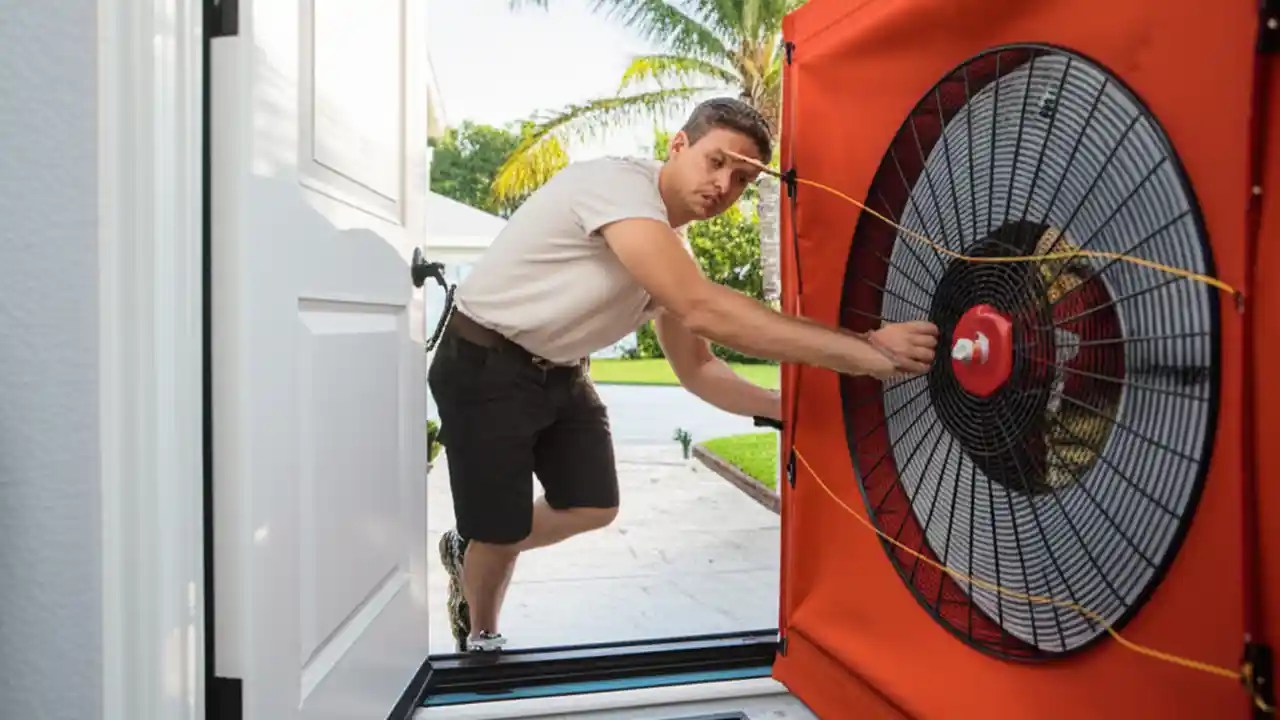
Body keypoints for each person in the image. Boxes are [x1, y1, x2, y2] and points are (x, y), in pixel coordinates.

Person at [428, 97, 939, 652]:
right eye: (715, 162)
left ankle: (472, 546)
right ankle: (482, 638)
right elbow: (703, 309)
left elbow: (699, 368)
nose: (724, 185)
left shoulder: (673, 252)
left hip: (561, 370)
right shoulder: (617, 188)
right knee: (500, 530)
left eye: (742, 180)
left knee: (593, 505)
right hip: (484, 361)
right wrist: (867, 351)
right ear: (678, 146)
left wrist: (783, 409)